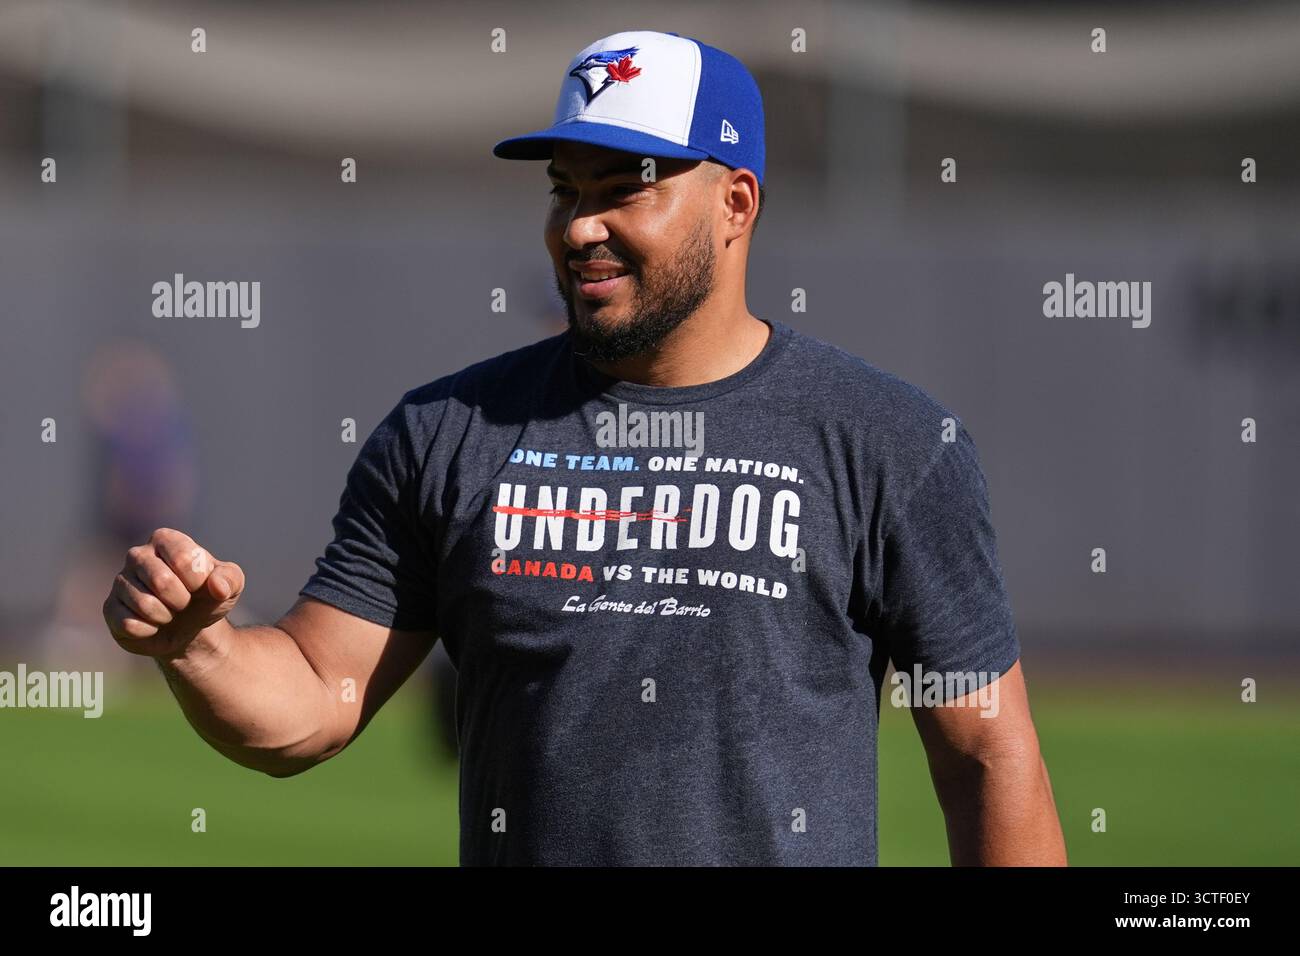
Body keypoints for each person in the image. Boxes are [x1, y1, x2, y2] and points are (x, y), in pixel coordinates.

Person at [102, 30, 1066, 866]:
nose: (582, 227)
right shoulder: (448, 433)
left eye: (625, 190)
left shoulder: (888, 440)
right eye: (566, 190)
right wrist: (199, 646)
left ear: (737, 204)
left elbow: (988, 756)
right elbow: (313, 698)